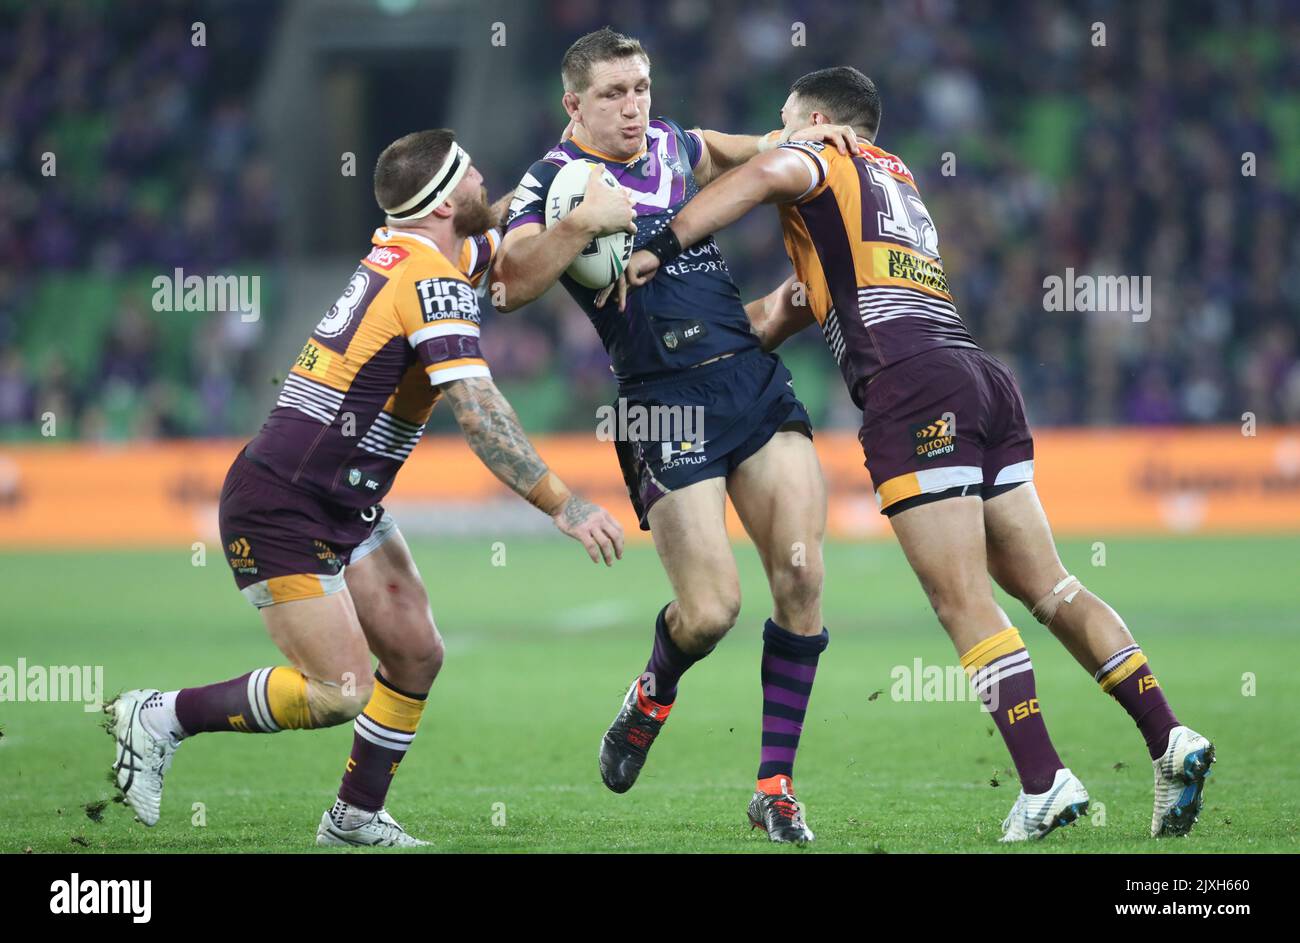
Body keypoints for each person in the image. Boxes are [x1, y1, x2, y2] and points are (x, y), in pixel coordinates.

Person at [626, 66, 1215, 841]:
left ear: (818, 117)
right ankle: (1170, 736)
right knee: (1050, 584)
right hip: (977, 374)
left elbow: (771, 167)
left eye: (786, 117)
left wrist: (663, 243)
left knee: (961, 598)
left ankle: (1043, 779)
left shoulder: (820, 157)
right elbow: (802, 303)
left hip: (912, 388)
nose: (778, 131)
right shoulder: (893, 184)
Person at [106, 129, 624, 847]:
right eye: (472, 175)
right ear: (444, 199)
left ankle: (353, 819)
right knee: (338, 691)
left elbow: (499, 222)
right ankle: (161, 714)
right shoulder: (430, 280)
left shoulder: (424, 248)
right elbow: (478, 412)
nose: (486, 183)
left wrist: (565, 174)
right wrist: (563, 503)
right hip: (283, 500)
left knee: (416, 650)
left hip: (343, 495)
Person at [493, 28, 856, 842]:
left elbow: (747, 149)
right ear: (573, 104)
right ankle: (653, 692)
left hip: (750, 376)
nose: (633, 107)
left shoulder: (669, 144)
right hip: (660, 403)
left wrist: (802, 138)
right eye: (615, 93)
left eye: (642, 87)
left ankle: (774, 785)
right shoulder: (554, 181)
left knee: (801, 577)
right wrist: (582, 225)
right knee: (713, 611)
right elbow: (511, 281)